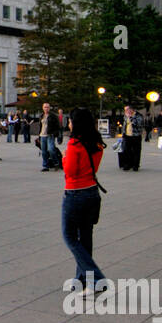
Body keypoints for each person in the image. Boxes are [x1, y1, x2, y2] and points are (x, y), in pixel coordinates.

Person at [61, 106, 108, 292]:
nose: (69, 123)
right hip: (92, 193)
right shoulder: (96, 143)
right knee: (85, 236)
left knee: (70, 236)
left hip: (75, 194)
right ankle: (82, 278)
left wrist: (64, 158)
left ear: (76, 123)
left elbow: (70, 171)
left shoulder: (74, 144)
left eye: (70, 120)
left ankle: (96, 278)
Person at [117, 104, 144, 171]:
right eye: (125, 110)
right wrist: (123, 134)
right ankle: (127, 165)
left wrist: (131, 118)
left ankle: (135, 165)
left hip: (136, 136)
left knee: (136, 151)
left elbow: (139, 124)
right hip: (127, 135)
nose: (126, 111)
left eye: (127, 110)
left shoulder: (138, 116)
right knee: (126, 151)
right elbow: (124, 125)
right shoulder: (126, 116)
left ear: (131, 110)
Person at [39, 102, 62, 171]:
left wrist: (56, 134)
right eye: (45, 107)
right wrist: (39, 136)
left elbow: (58, 127)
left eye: (47, 107)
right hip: (42, 135)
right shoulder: (41, 116)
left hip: (50, 135)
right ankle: (45, 166)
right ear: (42, 108)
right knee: (44, 151)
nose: (46, 108)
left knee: (51, 149)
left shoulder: (53, 116)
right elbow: (40, 126)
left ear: (49, 108)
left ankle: (56, 162)